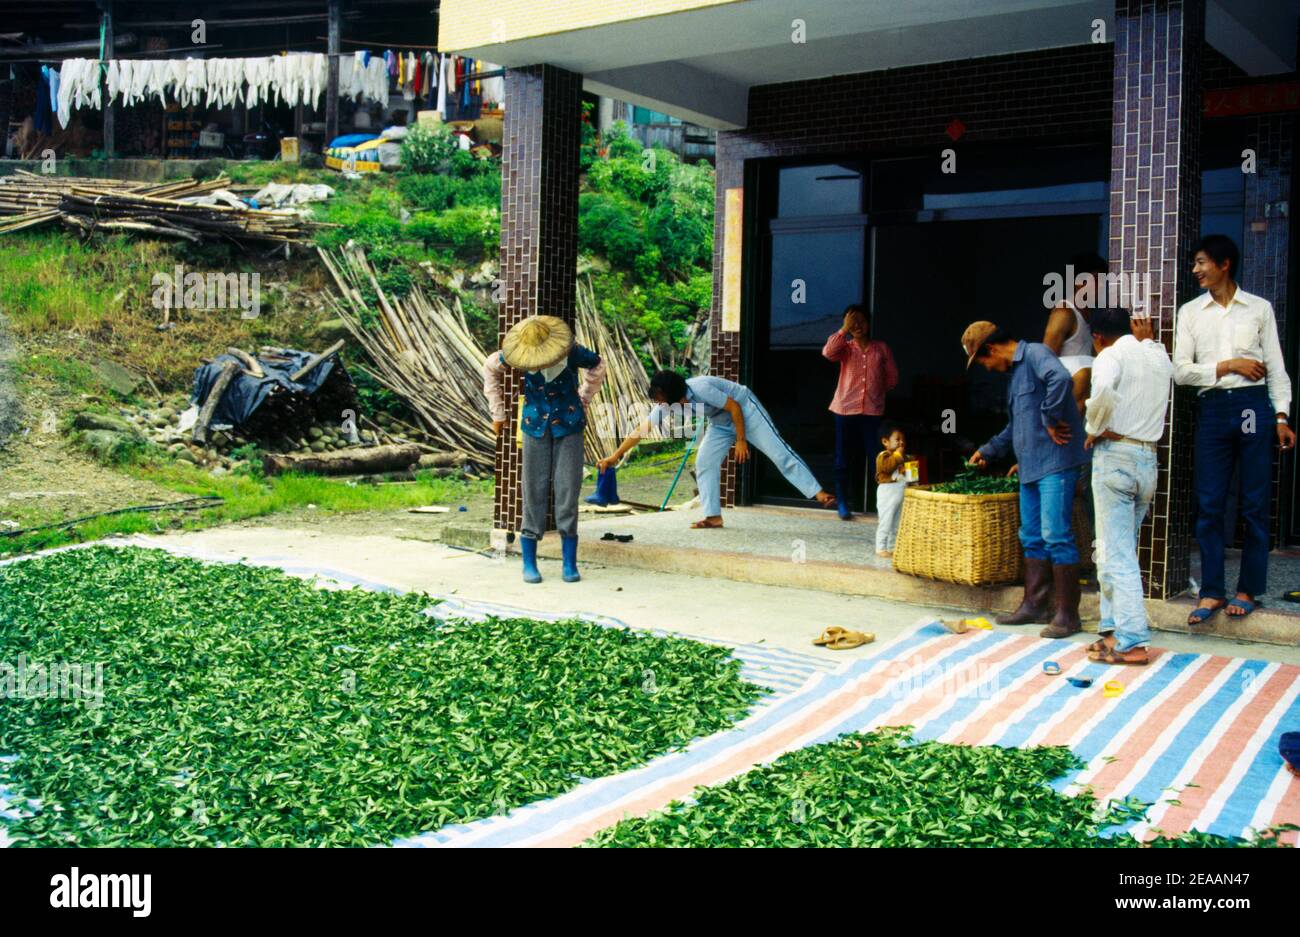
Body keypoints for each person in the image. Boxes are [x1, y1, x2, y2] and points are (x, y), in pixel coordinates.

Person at [1173, 234, 1295, 625]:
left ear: (1224, 264)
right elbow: (1181, 370)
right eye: (1195, 263)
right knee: (1209, 503)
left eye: (1202, 262)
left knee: (1254, 501)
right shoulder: (1190, 313)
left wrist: (1281, 416)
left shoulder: (1258, 309)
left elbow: (1274, 365)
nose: (1195, 270)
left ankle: (1248, 590)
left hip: (1251, 407)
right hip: (1212, 408)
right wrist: (1229, 365)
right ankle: (1211, 592)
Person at [964, 321, 1089, 638]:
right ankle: (1034, 604)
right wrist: (989, 450)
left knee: (1056, 534)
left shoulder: (1035, 353)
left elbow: (1060, 378)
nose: (988, 369)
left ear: (990, 349)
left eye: (983, 361)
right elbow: (1016, 425)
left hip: (1056, 463)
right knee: (1031, 535)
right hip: (1030, 466)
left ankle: (1067, 614)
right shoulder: (1014, 376)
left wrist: (1049, 417)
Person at [596, 371, 836, 527]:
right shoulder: (666, 405)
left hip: (745, 410)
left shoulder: (700, 387)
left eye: (659, 397)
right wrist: (614, 456)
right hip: (720, 423)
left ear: (672, 392)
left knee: (778, 452)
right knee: (704, 463)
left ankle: (818, 492)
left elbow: (734, 407)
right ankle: (713, 516)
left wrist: (741, 440)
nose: (658, 402)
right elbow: (642, 429)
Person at [483, 315, 606, 584]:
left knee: (567, 487)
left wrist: (584, 397)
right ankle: (529, 562)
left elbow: (597, 365)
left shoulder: (572, 351)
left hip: (570, 427)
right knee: (533, 488)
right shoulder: (515, 356)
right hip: (534, 425)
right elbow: (490, 369)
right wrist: (498, 413)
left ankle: (569, 563)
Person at [1082, 307, 1170, 666]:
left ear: (1097, 337)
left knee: (1116, 554)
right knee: (1113, 549)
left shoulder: (1109, 356)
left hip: (1116, 457)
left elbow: (1102, 390)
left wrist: (1093, 427)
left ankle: (1132, 641)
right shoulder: (1156, 354)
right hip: (1147, 460)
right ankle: (1113, 630)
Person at [822, 304, 899, 520]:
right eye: (852, 321)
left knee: (877, 458)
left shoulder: (881, 348)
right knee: (842, 457)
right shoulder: (845, 348)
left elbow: (892, 378)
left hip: (872, 412)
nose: (857, 326)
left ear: (868, 323)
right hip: (845, 409)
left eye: (861, 321)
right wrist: (843, 329)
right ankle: (843, 502)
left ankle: (882, 504)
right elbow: (828, 352)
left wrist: (875, 392)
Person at [1044, 251, 1108, 416]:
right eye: (1096, 279)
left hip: (1083, 402)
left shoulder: (1092, 314)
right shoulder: (1064, 312)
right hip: (1064, 403)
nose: (1101, 285)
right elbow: (1045, 361)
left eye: (1103, 281)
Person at [874, 423, 909, 557]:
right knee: (886, 521)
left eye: (903, 440)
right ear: (885, 441)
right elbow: (887, 468)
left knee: (896, 522)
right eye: (897, 439)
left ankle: (892, 547)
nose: (901, 443)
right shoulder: (883, 456)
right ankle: (880, 547)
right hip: (887, 493)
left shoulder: (901, 457)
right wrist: (899, 456)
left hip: (899, 492)